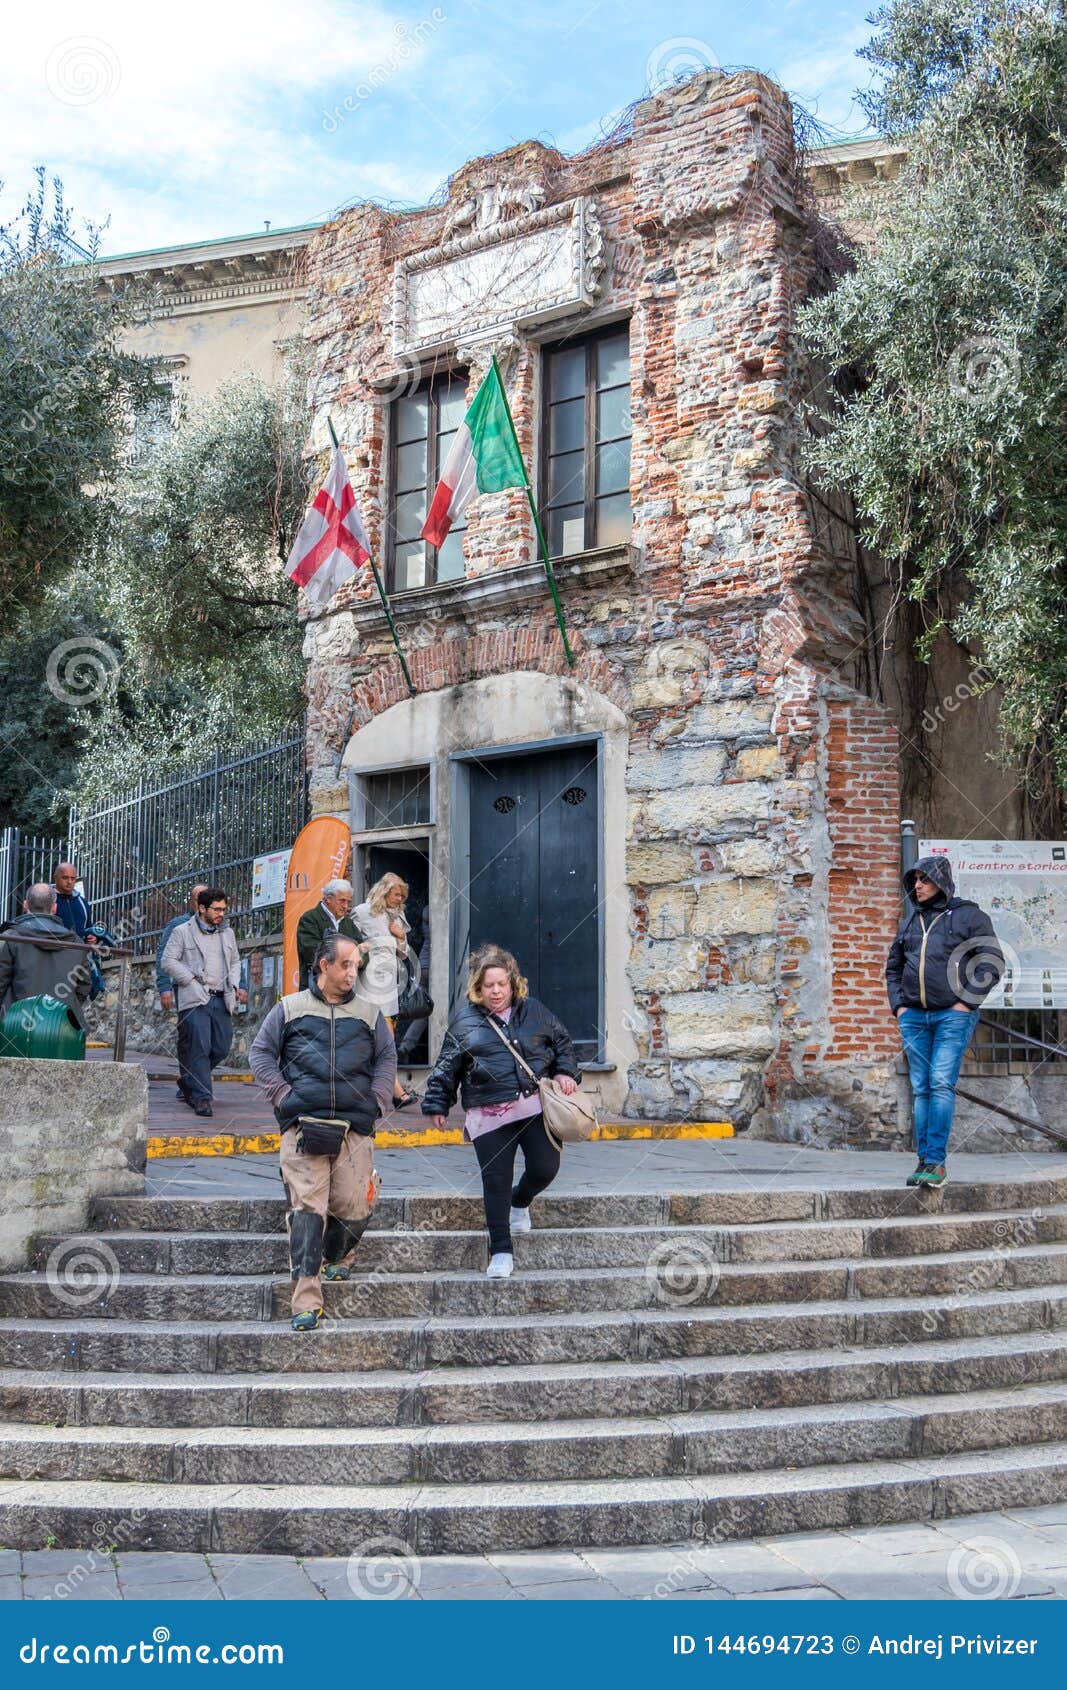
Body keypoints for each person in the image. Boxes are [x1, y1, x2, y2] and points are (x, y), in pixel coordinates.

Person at [249, 931, 397, 1331]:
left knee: (353, 1205)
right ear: (324, 966)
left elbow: (386, 1059)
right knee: (307, 1211)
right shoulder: (289, 1008)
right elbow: (260, 1053)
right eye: (346, 964)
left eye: (357, 966)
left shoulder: (369, 1014)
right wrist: (283, 1096)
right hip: (303, 1124)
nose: (353, 973)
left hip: (355, 1124)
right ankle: (306, 1301)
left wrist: (378, 1101)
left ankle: (340, 1255)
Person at [422, 943, 581, 1278]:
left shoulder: (533, 1011)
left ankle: (520, 1202)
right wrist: (438, 1101)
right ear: (478, 987)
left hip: (534, 1106)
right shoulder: (465, 1021)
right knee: (496, 1181)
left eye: (501, 984)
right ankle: (501, 1251)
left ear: (513, 983)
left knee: (545, 1168)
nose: (496, 991)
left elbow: (562, 1042)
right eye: (488, 985)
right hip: (488, 1113)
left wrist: (566, 1072)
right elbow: (447, 1065)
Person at [886, 853, 1004, 1189]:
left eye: (924, 879)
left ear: (941, 881)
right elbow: (893, 968)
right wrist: (900, 1006)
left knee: (939, 1085)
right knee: (921, 1089)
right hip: (914, 1018)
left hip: (952, 1016)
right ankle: (924, 1161)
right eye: (914, 880)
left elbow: (991, 962)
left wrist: (965, 1003)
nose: (917, 886)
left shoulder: (968, 916)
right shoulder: (911, 922)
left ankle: (936, 1163)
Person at [161, 886, 246, 1117]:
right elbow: (167, 961)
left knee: (222, 1046)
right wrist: (188, 979)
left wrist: (237, 984)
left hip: (222, 996)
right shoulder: (181, 931)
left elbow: (236, 961)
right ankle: (202, 1098)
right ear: (201, 908)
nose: (221, 914)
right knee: (200, 1047)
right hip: (195, 998)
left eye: (224, 909)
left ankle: (189, 1080)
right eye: (216, 909)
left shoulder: (227, 933)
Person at [354, 872, 419, 1107]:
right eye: (396, 894)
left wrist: (401, 936)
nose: (399, 898)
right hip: (367, 981)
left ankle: (389, 1091)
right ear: (384, 891)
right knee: (380, 1038)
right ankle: (396, 1092)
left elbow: (403, 953)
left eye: (402, 895)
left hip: (389, 983)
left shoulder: (397, 916)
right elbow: (348, 941)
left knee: (381, 1039)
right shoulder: (362, 912)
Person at [0, 884, 93, 1026]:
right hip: (63, 1027)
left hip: (16, 1026)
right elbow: (85, 985)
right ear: (55, 908)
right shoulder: (76, 943)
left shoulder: (10, 938)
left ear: (25, 905)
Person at [295, 878, 366, 990]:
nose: (346, 906)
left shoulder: (348, 922)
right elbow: (313, 953)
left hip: (345, 991)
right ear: (328, 899)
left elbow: (363, 952)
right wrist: (350, 959)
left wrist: (360, 959)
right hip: (317, 988)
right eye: (342, 901)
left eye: (348, 902)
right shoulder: (310, 919)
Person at [53, 862, 106, 1001]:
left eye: (72, 878)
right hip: (56, 959)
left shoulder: (82, 902)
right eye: (65, 878)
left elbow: (88, 927)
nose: (69, 882)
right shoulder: (49, 900)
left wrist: (93, 938)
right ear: (55, 878)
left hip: (80, 961)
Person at [156, 884, 208, 1011]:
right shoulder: (177, 925)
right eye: (198, 900)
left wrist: (241, 985)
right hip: (187, 989)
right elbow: (164, 956)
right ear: (192, 902)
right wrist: (164, 988)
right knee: (192, 1028)